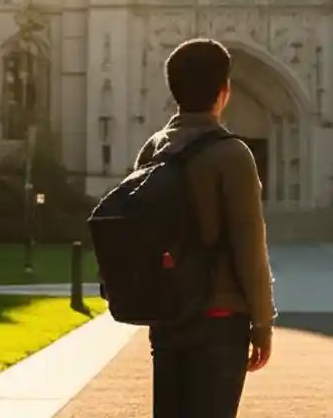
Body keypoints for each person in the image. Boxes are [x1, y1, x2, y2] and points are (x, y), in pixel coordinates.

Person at [132, 38, 277, 418]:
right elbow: (250, 246)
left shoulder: (152, 150)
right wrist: (262, 322)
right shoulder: (232, 154)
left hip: (168, 312)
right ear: (224, 91)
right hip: (219, 315)